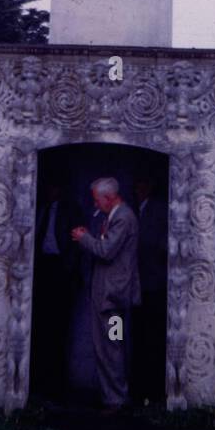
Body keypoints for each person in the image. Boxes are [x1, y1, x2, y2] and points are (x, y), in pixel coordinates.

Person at [71, 176, 141, 414]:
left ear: (110, 198)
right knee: (108, 346)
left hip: (114, 297)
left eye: (97, 201)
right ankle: (112, 397)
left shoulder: (123, 217)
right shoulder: (115, 216)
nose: (95, 206)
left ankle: (117, 399)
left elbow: (106, 251)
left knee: (112, 346)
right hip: (107, 296)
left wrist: (84, 239)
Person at [31, 182, 81, 400]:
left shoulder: (71, 211)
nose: (50, 190)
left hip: (61, 271)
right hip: (42, 271)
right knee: (40, 326)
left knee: (60, 327)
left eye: (54, 186)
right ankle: (38, 380)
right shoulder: (39, 208)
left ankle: (57, 383)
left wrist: (69, 269)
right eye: (49, 187)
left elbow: (77, 244)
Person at [131, 175, 168, 403]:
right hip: (137, 284)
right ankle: (139, 390)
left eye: (143, 182)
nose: (138, 187)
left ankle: (152, 392)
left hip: (155, 282)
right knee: (138, 336)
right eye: (137, 183)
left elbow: (166, 242)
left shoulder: (160, 209)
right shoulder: (134, 210)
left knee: (153, 337)